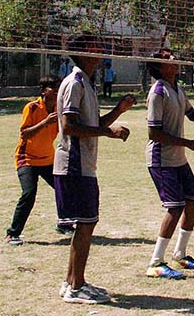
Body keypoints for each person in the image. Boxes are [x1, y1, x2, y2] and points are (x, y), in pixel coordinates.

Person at [55, 34, 136, 304]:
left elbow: (93, 122)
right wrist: (108, 132)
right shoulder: (75, 83)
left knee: (85, 224)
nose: (101, 50)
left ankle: (72, 283)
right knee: (87, 223)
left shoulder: (87, 83)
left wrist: (119, 110)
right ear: (84, 52)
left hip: (84, 164)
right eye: (95, 46)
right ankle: (76, 287)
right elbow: (68, 127)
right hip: (73, 164)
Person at [144, 49, 194, 280]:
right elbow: (154, 133)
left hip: (178, 159)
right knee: (174, 207)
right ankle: (155, 263)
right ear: (159, 66)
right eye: (167, 57)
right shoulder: (158, 92)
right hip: (161, 159)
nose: (174, 58)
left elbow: (192, 116)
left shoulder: (177, 88)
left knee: (193, 202)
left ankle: (180, 254)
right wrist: (188, 143)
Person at [5, 76, 74, 245]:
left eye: (58, 87)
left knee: (64, 190)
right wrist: (45, 122)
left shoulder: (60, 109)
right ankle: (12, 234)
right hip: (26, 159)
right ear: (43, 91)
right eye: (53, 87)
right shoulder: (32, 107)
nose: (57, 90)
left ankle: (63, 223)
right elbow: (25, 133)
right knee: (29, 194)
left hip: (48, 159)